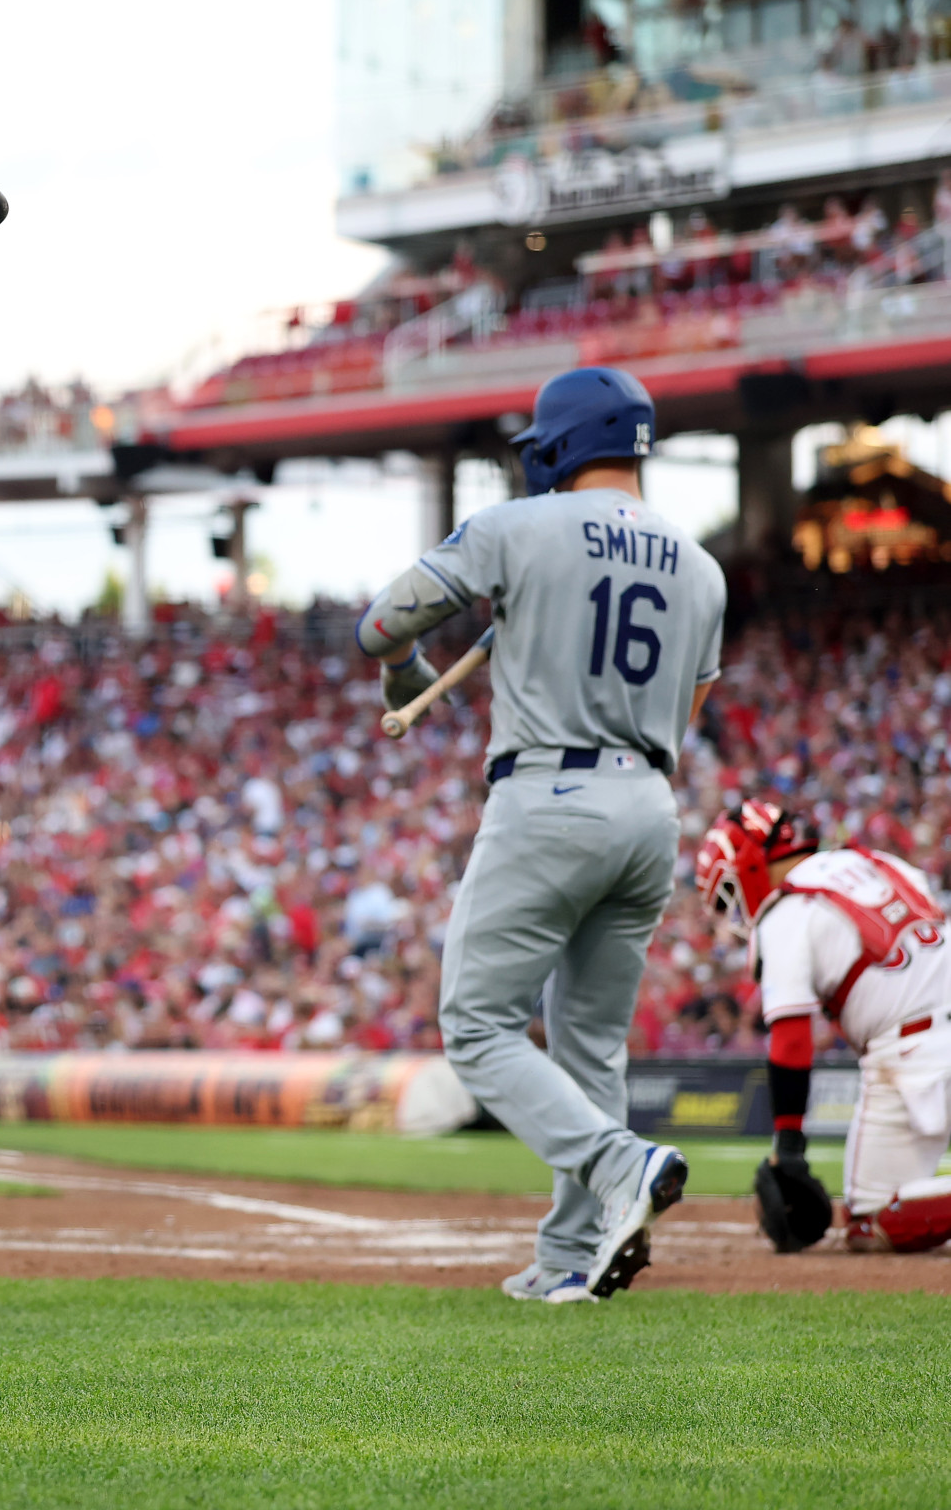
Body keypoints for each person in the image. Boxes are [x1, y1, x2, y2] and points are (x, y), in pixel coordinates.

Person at [354, 365, 725, 1302]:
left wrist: (405, 674)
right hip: (649, 804)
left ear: (560, 443)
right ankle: (569, 1256)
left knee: (475, 1027)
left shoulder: (516, 527)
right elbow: (691, 706)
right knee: (590, 1045)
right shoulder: (702, 567)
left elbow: (380, 624)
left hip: (549, 793)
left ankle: (616, 1168)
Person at [696, 800, 951, 1253]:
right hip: (926, 1032)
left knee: (870, 1225)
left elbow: (792, 1040)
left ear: (751, 863)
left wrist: (788, 1147)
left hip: (915, 1053)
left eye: (731, 892)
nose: (736, 912)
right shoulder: (877, 860)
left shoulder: (786, 913)